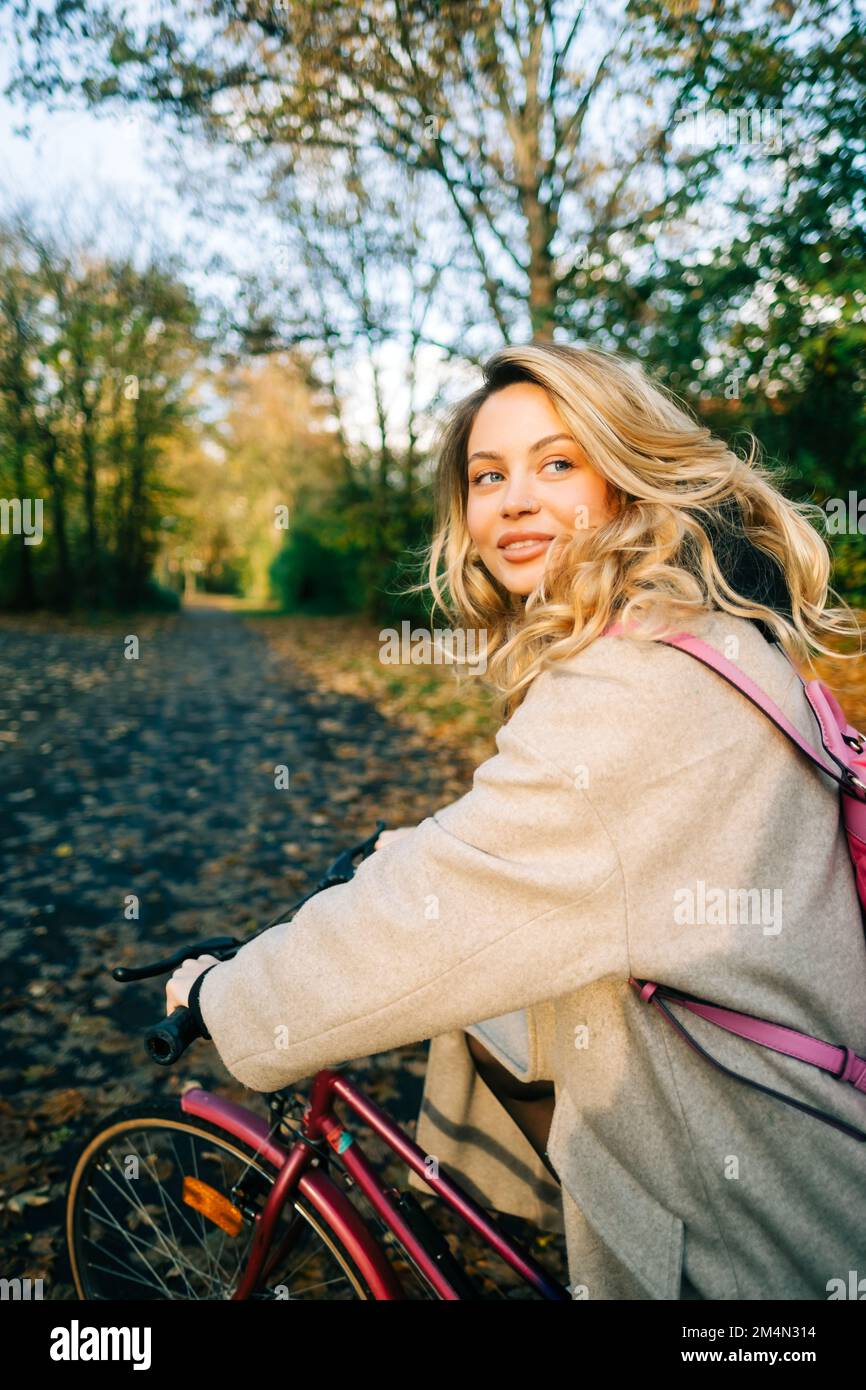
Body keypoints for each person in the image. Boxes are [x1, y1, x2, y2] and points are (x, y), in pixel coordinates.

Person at [168, 342, 866, 1300]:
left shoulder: (630, 688)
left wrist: (228, 999)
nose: (514, 500)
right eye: (487, 475)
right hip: (796, 1104)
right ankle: (505, 1207)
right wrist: (397, 854)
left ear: (628, 476)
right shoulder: (707, 633)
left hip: (757, 1211)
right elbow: (531, 853)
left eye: (557, 463)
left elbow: (440, 912)